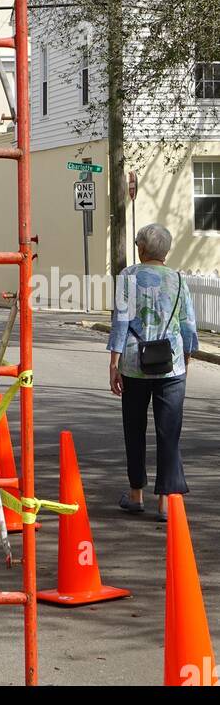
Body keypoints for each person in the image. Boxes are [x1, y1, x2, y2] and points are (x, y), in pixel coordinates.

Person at [107, 223, 198, 522]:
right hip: (171, 365)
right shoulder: (178, 279)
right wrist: (185, 356)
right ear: (166, 250)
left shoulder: (128, 277)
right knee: (168, 433)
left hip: (134, 364)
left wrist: (114, 363)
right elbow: (188, 324)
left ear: (141, 249)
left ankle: (136, 495)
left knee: (134, 430)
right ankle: (164, 502)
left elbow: (121, 322)